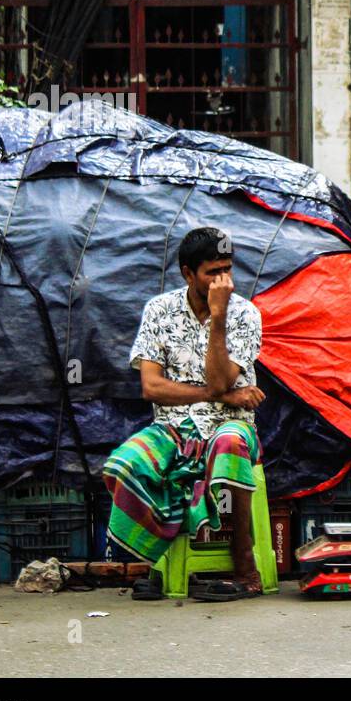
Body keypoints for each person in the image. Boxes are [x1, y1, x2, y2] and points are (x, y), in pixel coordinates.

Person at [104, 226, 268, 601]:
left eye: (227, 270)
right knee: (123, 463)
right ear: (187, 273)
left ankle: (245, 564)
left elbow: (220, 376)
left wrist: (219, 318)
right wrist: (222, 395)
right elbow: (152, 387)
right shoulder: (159, 310)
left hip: (230, 426)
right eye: (212, 272)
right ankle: (157, 557)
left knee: (228, 445)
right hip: (172, 427)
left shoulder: (244, 314)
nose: (222, 280)